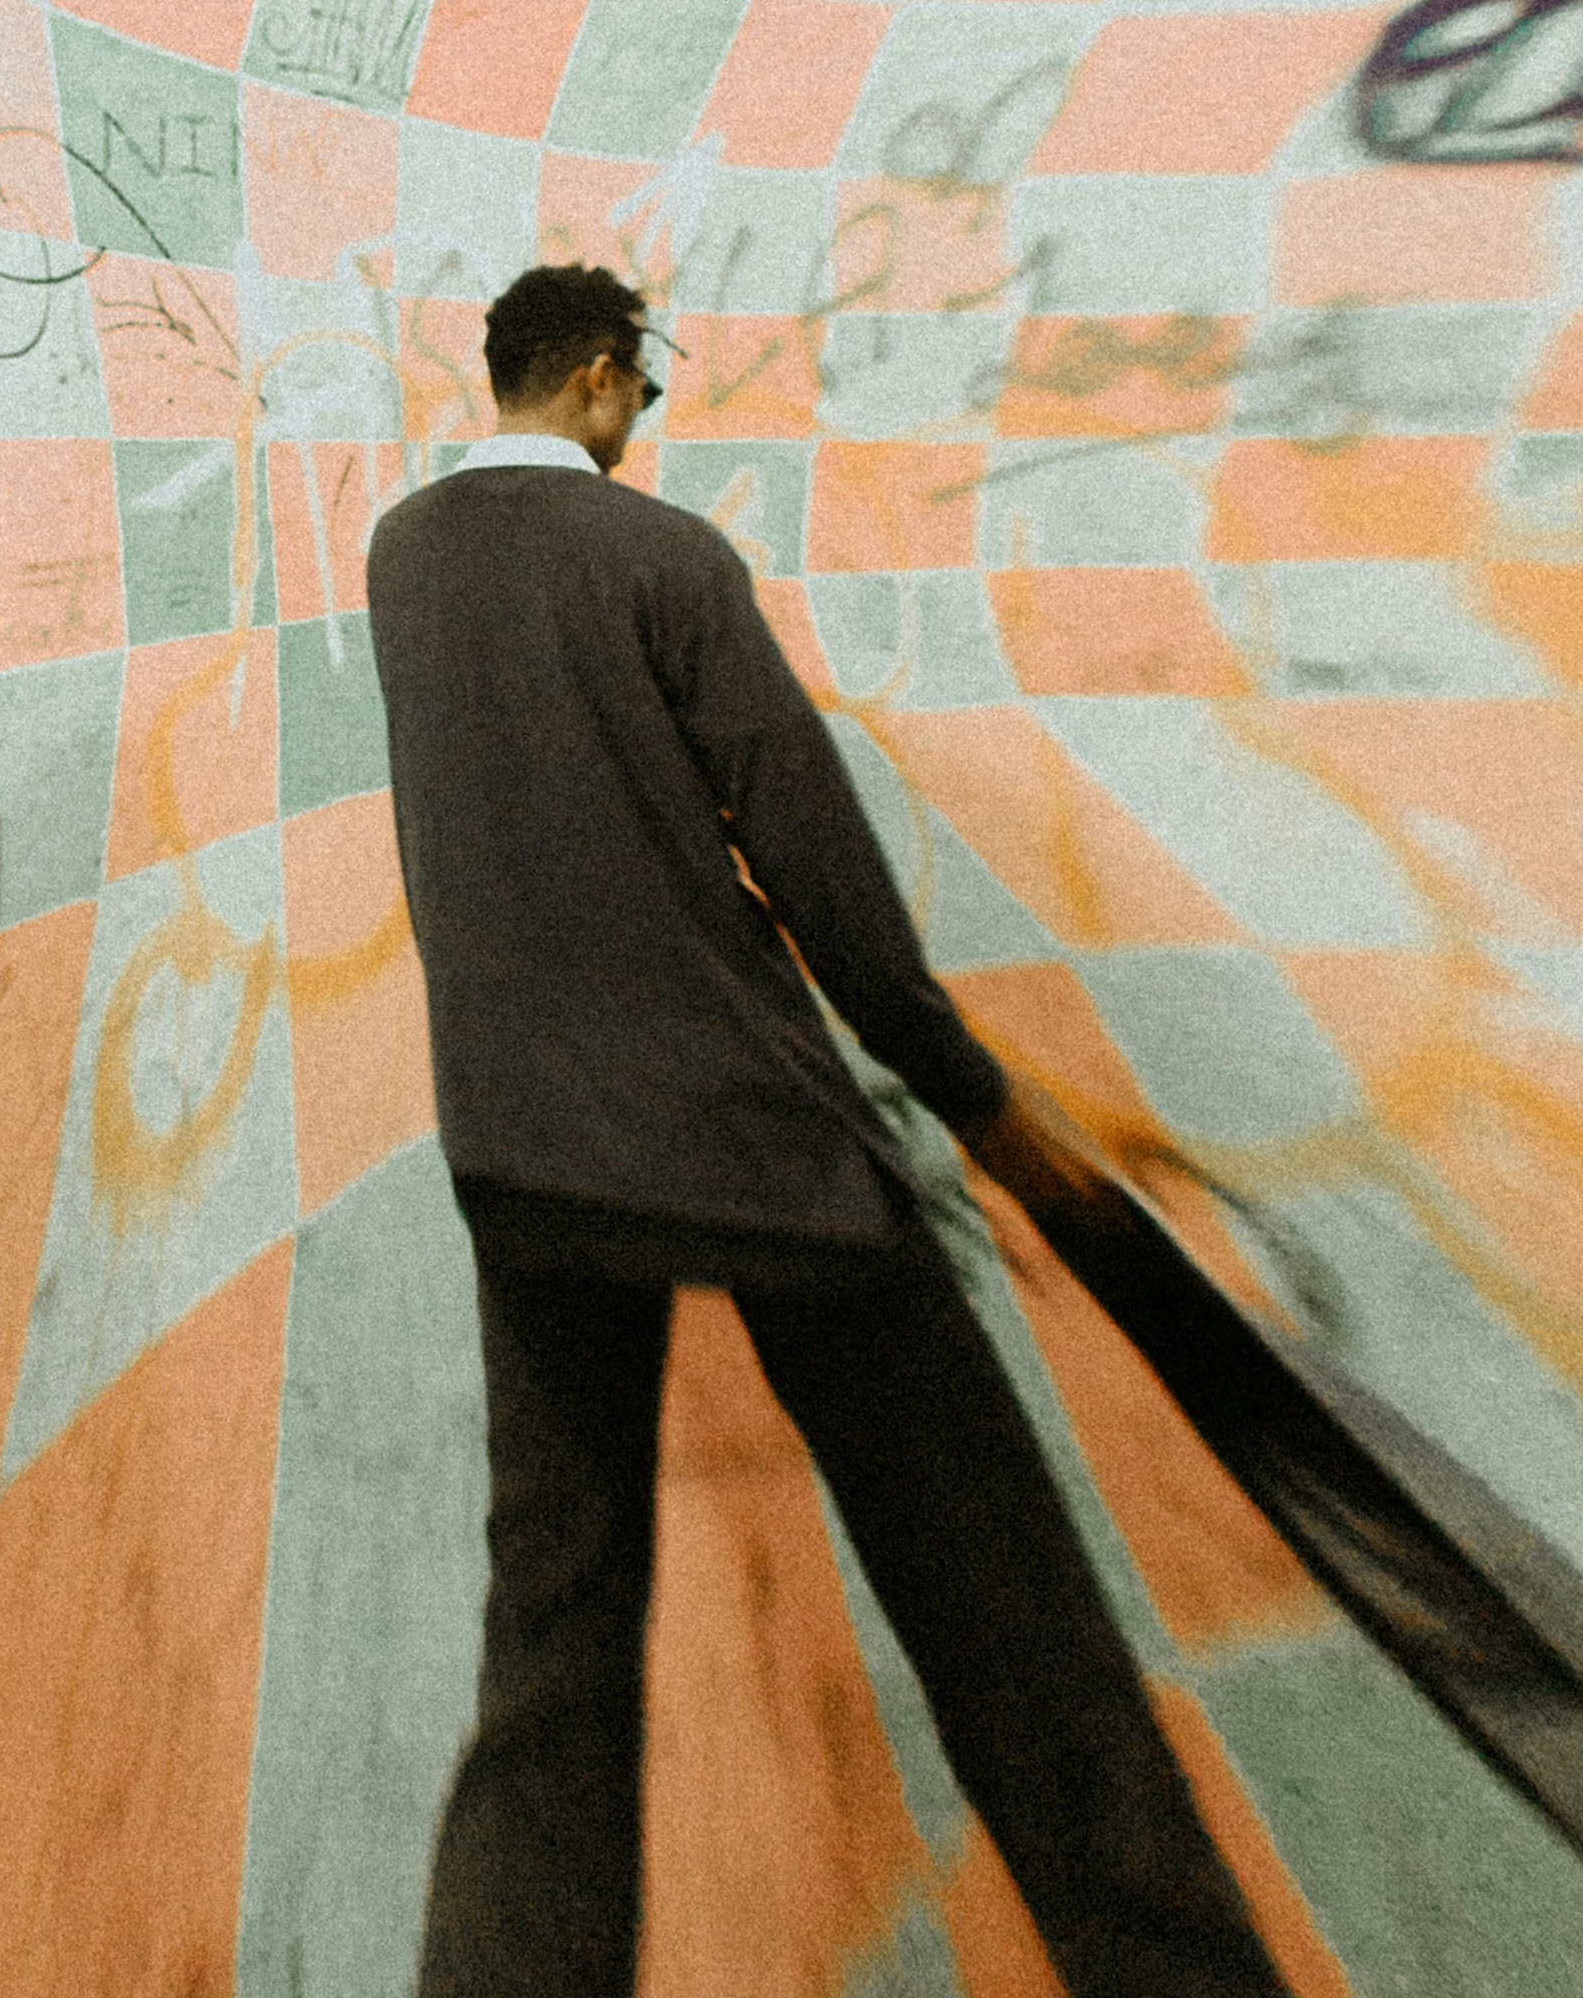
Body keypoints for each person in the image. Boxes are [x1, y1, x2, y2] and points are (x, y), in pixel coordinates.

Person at [365, 263, 1290, 1998]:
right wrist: (979, 1100)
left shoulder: (404, 563)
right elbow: (818, 859)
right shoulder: (662, 559)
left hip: (521, 1154)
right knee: (1005, 1612)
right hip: (754, 1143)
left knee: (552, 1656)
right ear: (587, 376)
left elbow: (471, 843)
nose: (642, 418)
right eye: (637, 386)